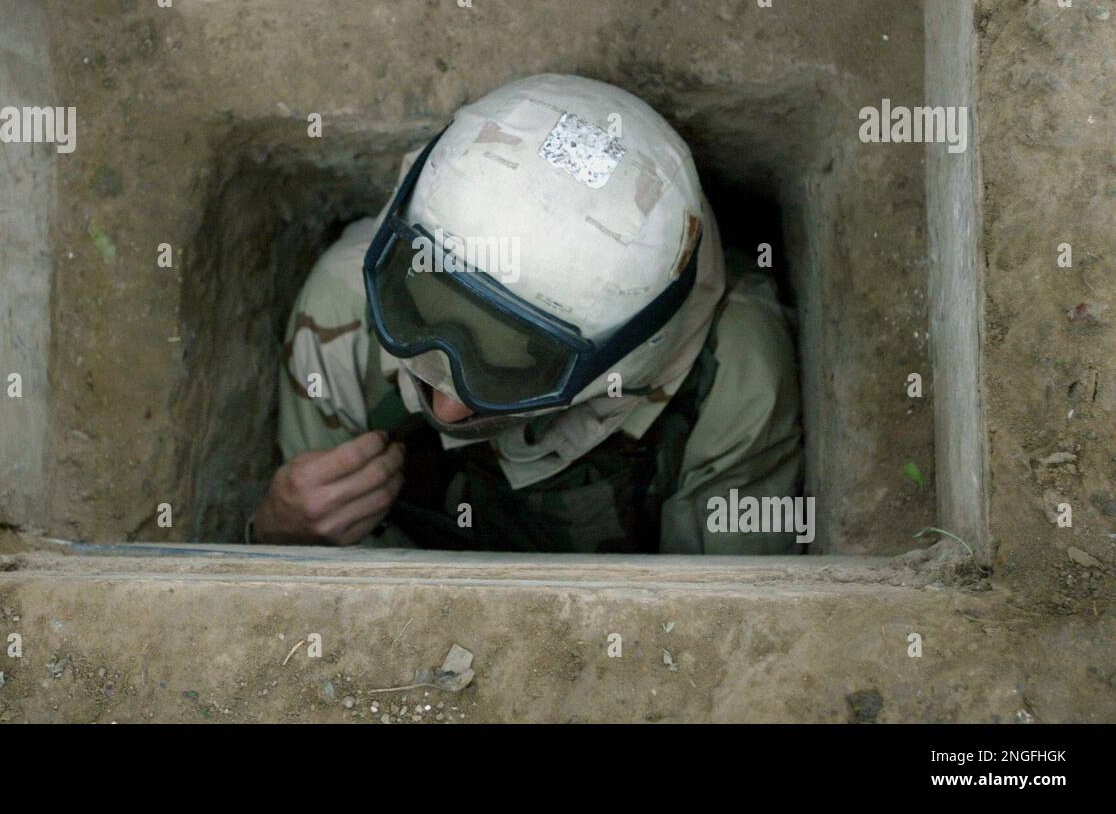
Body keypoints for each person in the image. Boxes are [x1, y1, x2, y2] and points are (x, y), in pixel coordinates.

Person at [247, 74, 803, 553]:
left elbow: (721, 635)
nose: (446, 403)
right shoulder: (346, 301)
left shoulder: (730, 375)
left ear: (626, 357)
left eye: (514, 361)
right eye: (426, 313)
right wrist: (280, 535)